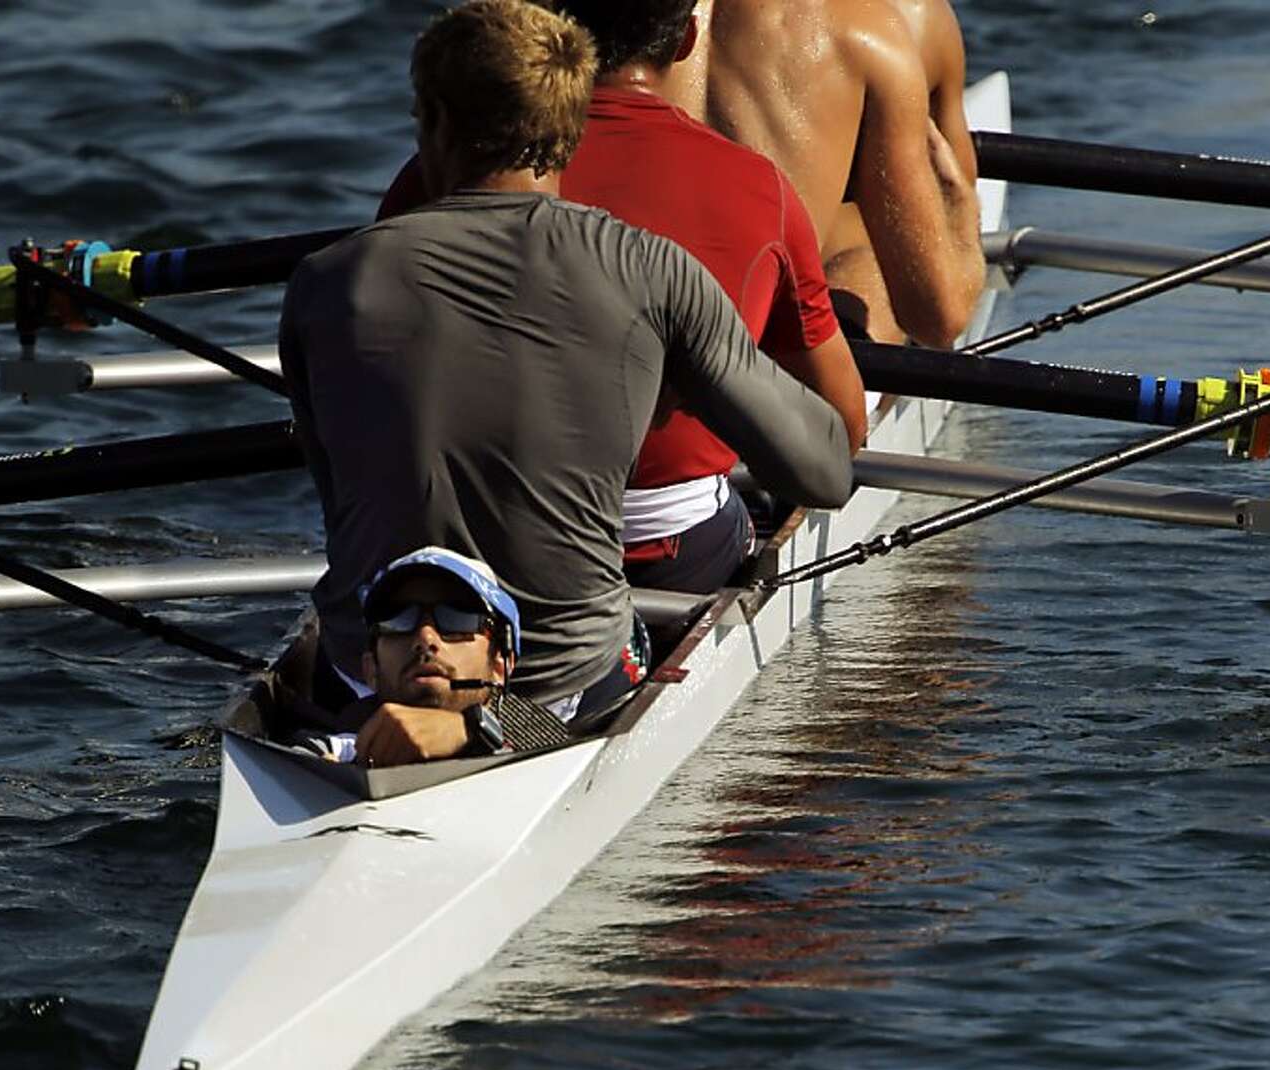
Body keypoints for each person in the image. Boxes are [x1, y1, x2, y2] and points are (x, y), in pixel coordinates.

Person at [280, 0, 853, 713]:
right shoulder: (651, 270)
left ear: (435, 123)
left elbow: (339, 490)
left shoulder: (325, 283)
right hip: (559, 682)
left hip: (370, 667)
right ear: (568, 125)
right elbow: (824, 471)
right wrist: (676, 372)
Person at [378, 0, 870, 593]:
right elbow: (844, 427)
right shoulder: (760, 186)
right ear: (688, 40)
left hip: (469, 539)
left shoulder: (446, 174)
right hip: (667, 546)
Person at [678, 0, 986, 347]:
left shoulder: (639, 19)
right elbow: (938, 319)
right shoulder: (895, 24)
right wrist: (962, 213)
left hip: (642, 312)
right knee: (865, 268)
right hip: (763, 350)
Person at [303, 547, 528, 767]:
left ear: (500, 665)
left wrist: (472, 730)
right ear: (371, 668)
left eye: (456, 619)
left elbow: (545, 738)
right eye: (397, 620)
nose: (425, 638)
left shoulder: (541, 754)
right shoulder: (332, 754)